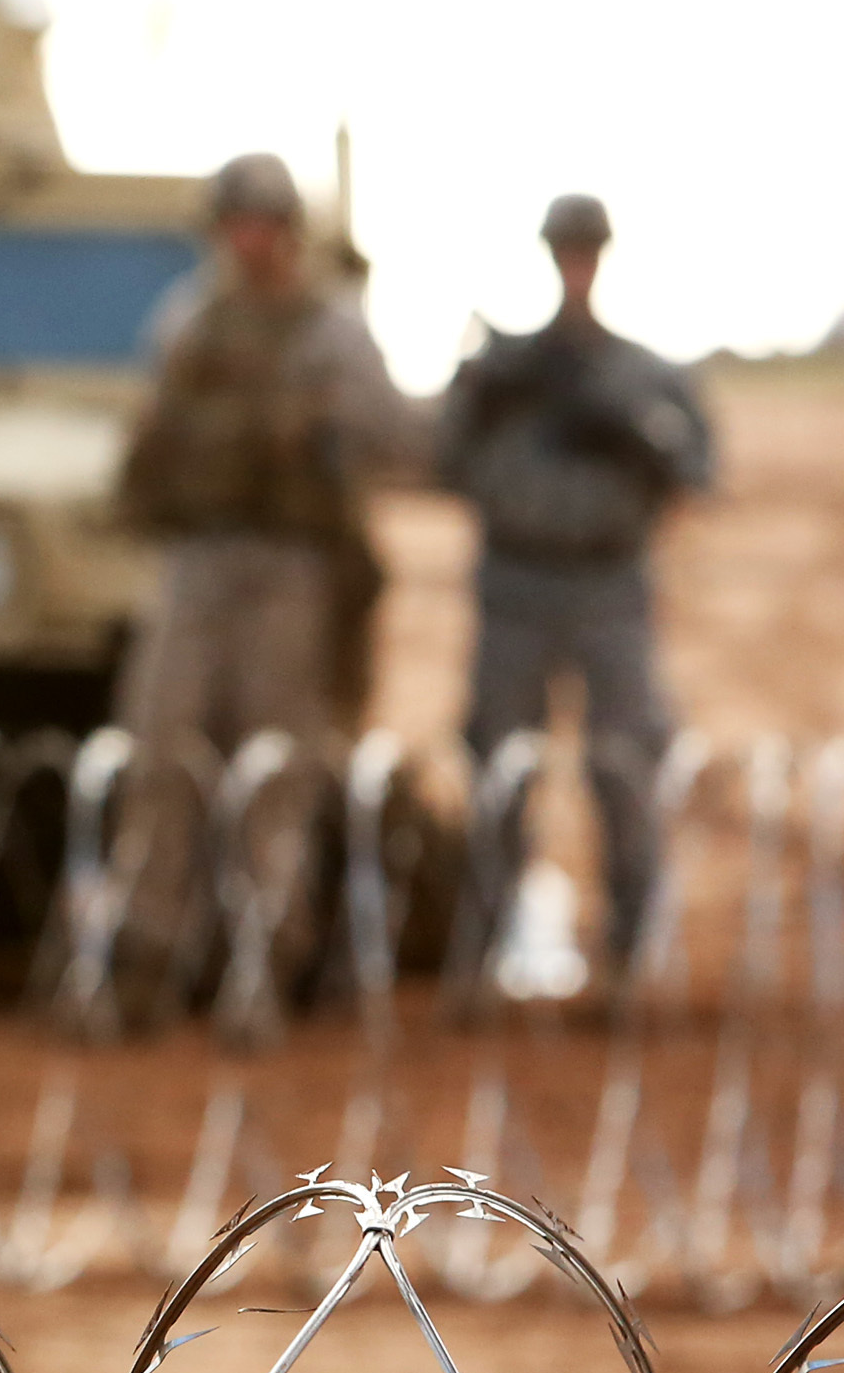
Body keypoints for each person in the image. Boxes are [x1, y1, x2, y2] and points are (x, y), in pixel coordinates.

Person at [104, 151, 417, 1005]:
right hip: (195, 565)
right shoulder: (189, 320)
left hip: (290, 570)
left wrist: (325, 429)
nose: (248, 244)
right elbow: (152, 434)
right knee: (162, 754)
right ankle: (148, 947)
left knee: (277, 769)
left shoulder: (331, 329)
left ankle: (265, 954)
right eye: (234, 226)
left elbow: (393, 435)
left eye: (264, 227)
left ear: (288, 234)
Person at [438, 192, 714, 985]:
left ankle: (633, 947)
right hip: (515, 586)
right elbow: (444, 463)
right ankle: (484, 946)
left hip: (609, 588)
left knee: (624, 767)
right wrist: (488, 396)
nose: (576, 266)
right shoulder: (504, 369)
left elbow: (697, 469)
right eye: (566, 250)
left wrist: (629, 431)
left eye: (587, 251)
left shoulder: (644, 374)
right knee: (499, 768)